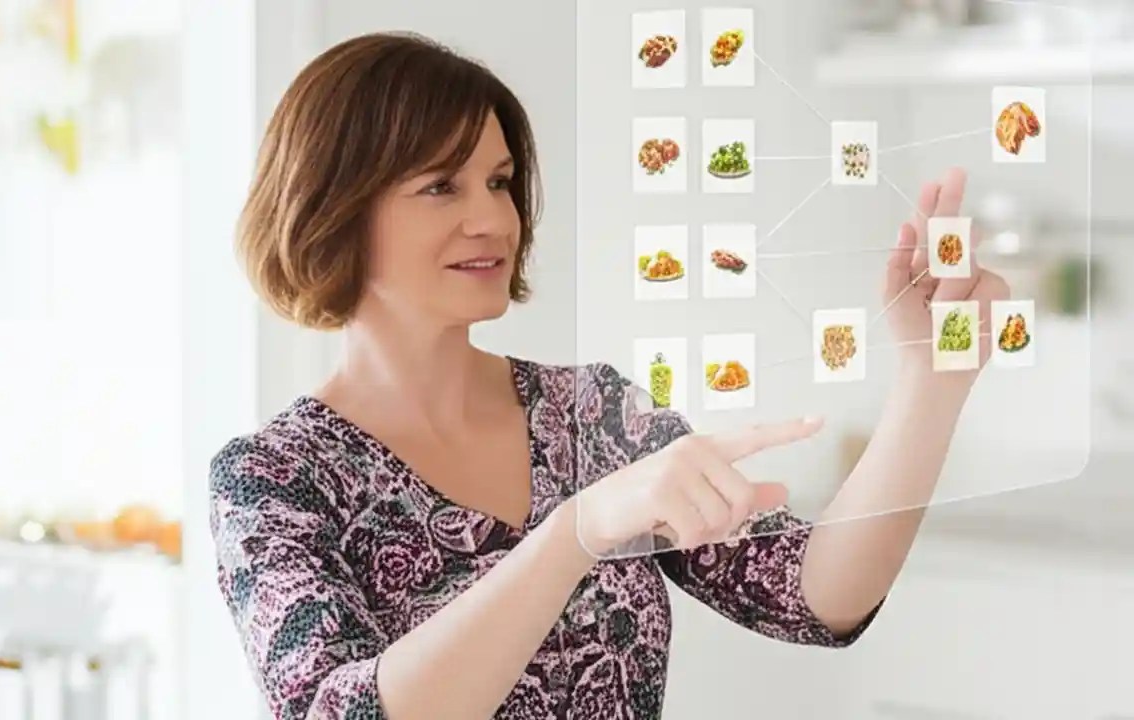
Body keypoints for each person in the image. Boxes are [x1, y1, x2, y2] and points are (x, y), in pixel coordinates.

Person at [208, 31, 1009, 720]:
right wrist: (576, 533)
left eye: (497, 181)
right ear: (332, 208)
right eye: (439, 186)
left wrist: (931, 380)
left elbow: (814, 597)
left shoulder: (592, 413)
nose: (493, 217)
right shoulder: (273, 480)